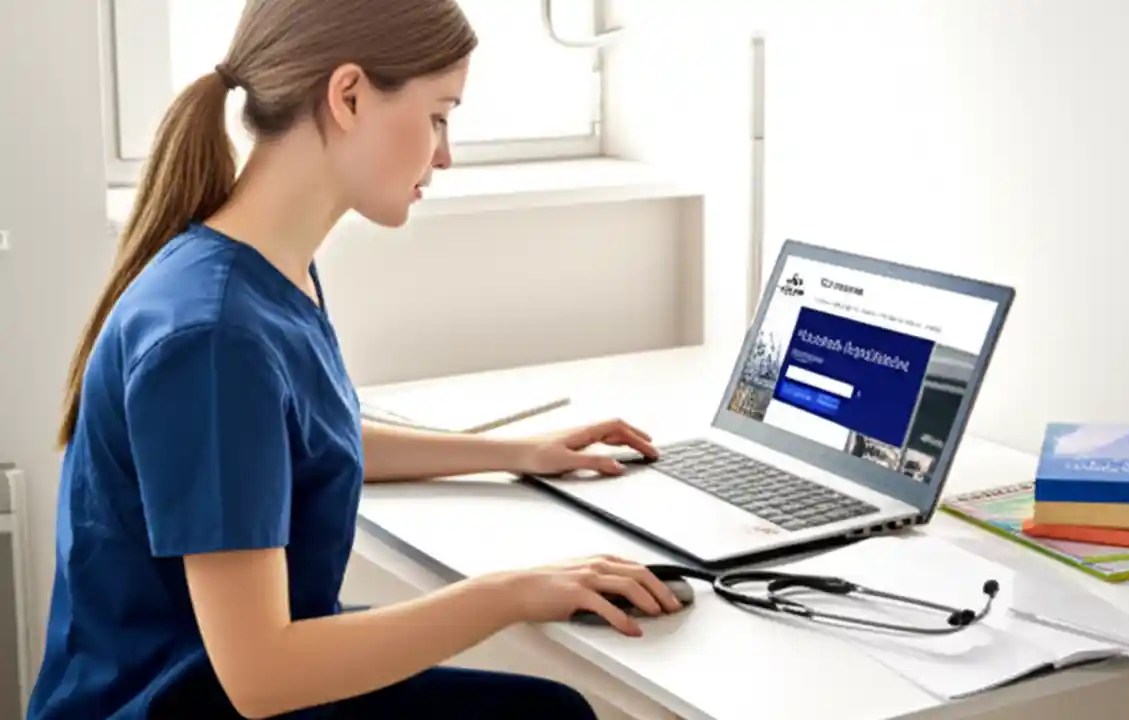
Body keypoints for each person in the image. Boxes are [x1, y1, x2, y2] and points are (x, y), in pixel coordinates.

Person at [27, 1, 684, 718]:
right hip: (178, 700)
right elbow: (262, 677)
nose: (445, 153)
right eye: (438, 114)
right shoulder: (214, 336)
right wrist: (511, 592)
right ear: (347, 96)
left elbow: (298, 444)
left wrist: (517, 451)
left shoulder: (269, 272)